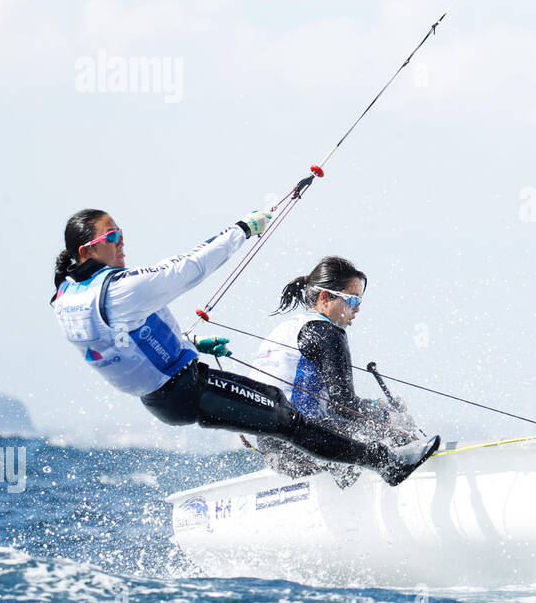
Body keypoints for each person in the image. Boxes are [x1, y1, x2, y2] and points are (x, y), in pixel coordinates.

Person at [50, 208, 438, 485]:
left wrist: (190, 343)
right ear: (87, 251)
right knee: (286, 419)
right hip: (187, 390)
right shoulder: (118, 290)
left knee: (278, 412)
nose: (122, 245)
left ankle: (345, 467)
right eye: (113, 237)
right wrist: (242, 229)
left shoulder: (69, 297)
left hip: (167, 396)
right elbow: (190, 268)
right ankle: (387, 464)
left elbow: (124, 344)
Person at [248, 257, 434, 475]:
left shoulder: (284, 329)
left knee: (364, 430)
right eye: (352, 300)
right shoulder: (327, 332)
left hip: (274, 449)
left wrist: (376, 405)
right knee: (394, 434)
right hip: (304, 441)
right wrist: (390, 418)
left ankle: (347, 484)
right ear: (326, 297)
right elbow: (343, 404)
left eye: (360, 302)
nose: (357, 310)